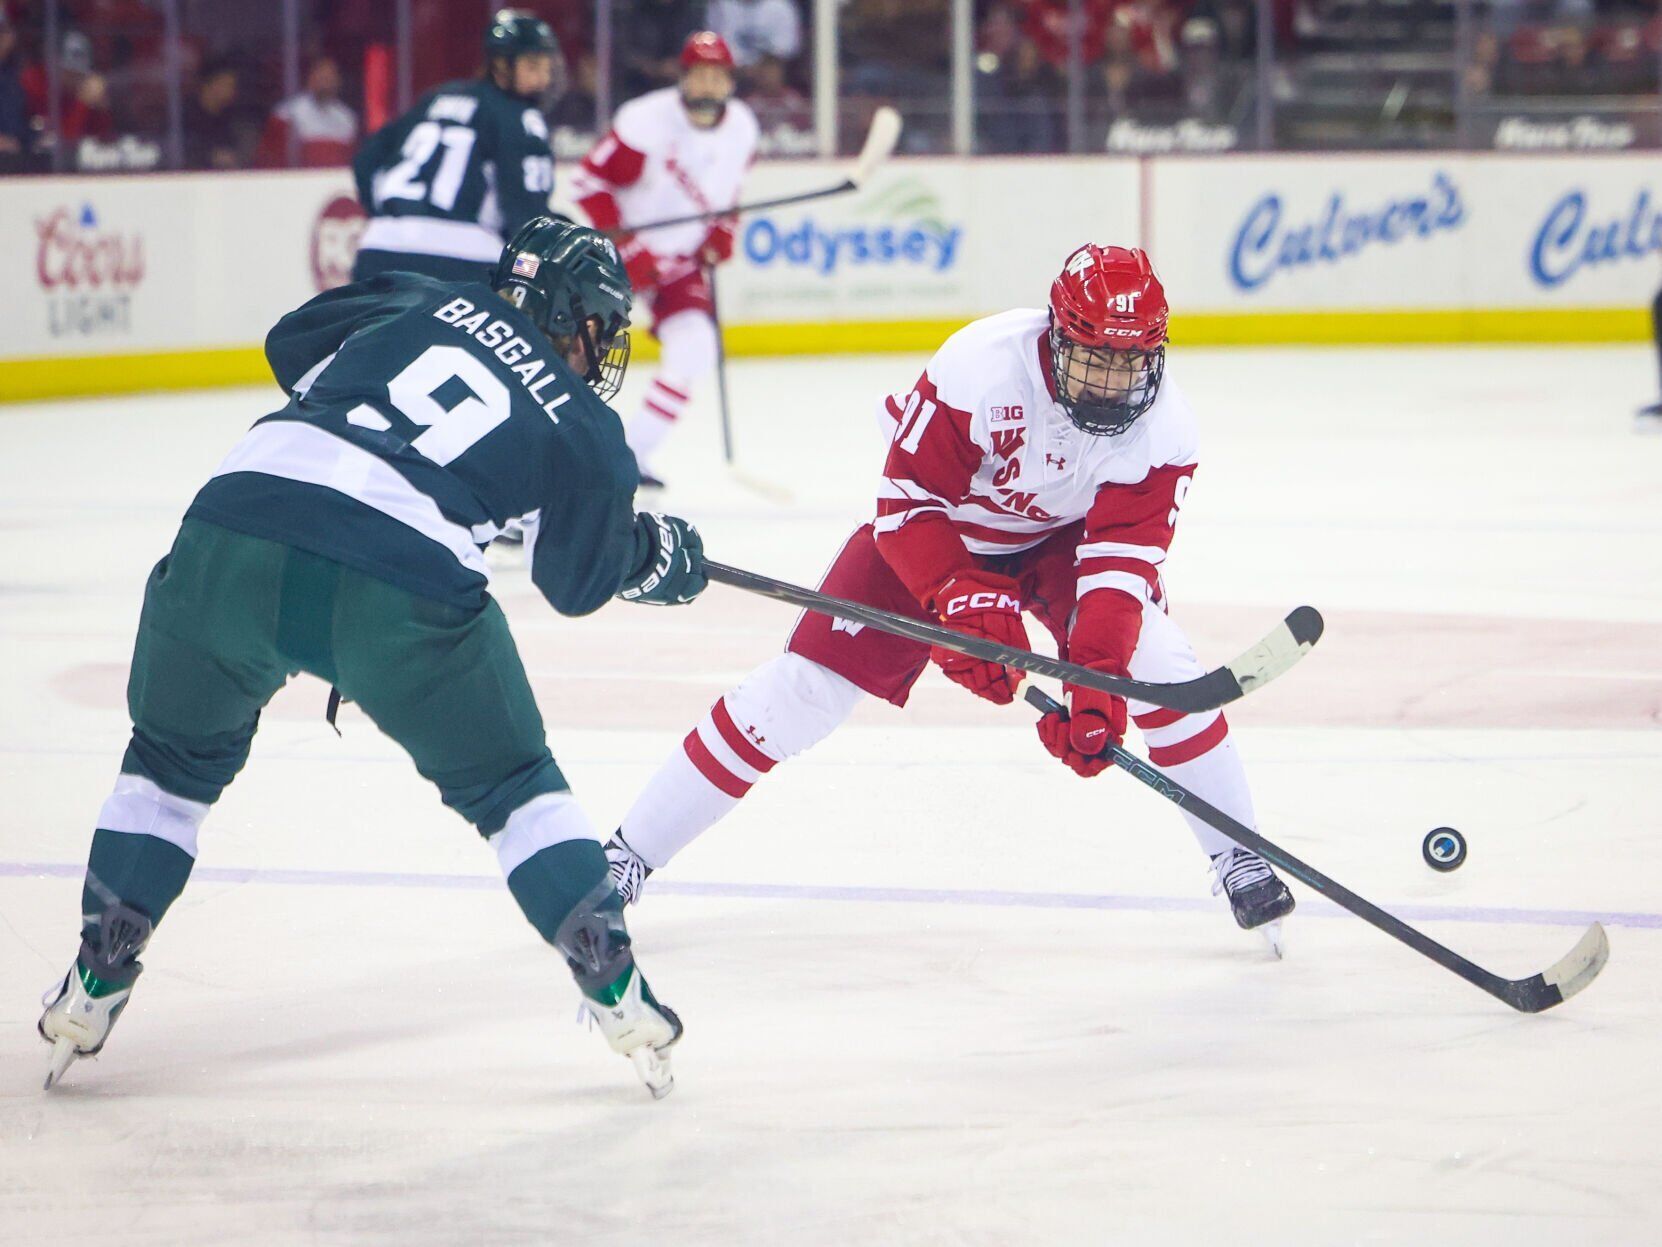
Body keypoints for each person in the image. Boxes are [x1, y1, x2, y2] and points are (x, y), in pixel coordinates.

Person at [37, 217, 706, 1100]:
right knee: (514, 789)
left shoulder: (417, 293)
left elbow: (291, 344)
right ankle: (614, 981)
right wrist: (652, 556)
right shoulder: (582, 423)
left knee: (166, 766)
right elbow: (576, 580)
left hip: (232, 530)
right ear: (574, 314)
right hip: (401, 588)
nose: (602, 350)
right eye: (601, 328)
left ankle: (97, 969)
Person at [603, 244, 1297, 950]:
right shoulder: (982, 366)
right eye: (1096, 357)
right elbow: (906, 503)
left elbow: (1119, 570)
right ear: (1057, 337)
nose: (1115, 382)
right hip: (939, 531)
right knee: (800, 691)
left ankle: (1238, 852)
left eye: (1131, 362)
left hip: (1061, 543)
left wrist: (1100, 682)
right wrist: (957, 599)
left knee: (1160, 662)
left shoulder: (1165, 428)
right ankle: (626, 855)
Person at [570, 31, 759, 488]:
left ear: (730, 82)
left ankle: (631, 458)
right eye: (700, 75)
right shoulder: (646, 120)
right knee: (577, 356)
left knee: (696, 348)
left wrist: (720, 232)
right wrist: (628, 247)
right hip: (617, 258)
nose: (709, 85)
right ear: (684, 77)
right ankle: (557, 454)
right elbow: (588, 182)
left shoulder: (742, 128)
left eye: (718, 76)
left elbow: (729, 194)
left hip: (679, 263)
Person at [350, 9, 560, 285]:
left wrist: (393, 217)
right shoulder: (519, 117)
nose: (543, 80)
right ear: (501, 66)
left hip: (378, 251)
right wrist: (535, 272)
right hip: (461, 263)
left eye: (547, 68)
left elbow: (366, 160)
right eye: (533, 66)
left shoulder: (437, 98)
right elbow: (524, 219)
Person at [259, 55, 358, 168]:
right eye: (321, 75)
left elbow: (349, 161)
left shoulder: (347, 118)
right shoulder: (287, 113)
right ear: (311, 77)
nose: (326, 81)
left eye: (330, 76)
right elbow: (270, 160)